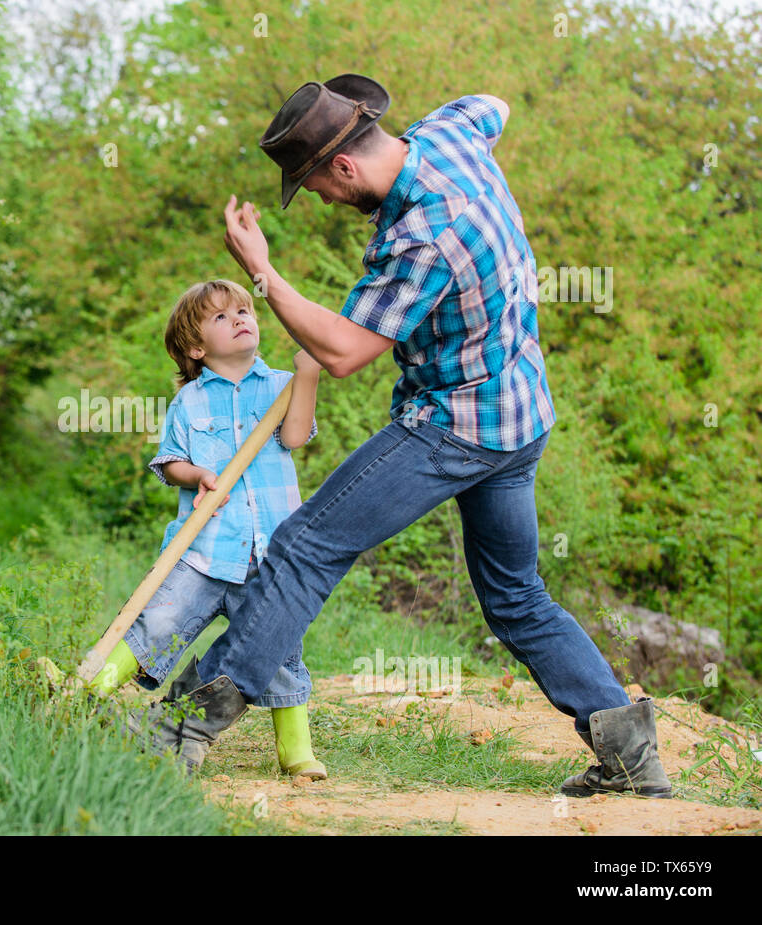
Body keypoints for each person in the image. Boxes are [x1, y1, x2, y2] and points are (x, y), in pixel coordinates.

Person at [133, 75, 672, 799]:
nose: (321, 199)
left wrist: (262, 272)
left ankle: (184, 728)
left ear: (346, 166)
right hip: (521, 413)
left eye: (317, 185)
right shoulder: (453, 132)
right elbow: (497, 102)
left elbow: (346, 351)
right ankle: (633, 760)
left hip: (456, 426)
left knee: (305, 545)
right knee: (516, 596)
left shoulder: (423, 236)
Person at [40, 278, 328, 777]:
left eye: (244, 310)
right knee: (157, 623)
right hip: (204, 550)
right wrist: (196, 475)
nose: (241, 318)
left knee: (278, 646)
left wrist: (308, 376)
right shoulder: (190, 402)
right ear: (196, 347)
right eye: (222, 316)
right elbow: (170, 462)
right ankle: (85, 689)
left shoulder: (282, 385)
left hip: (270, 556)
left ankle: (296, 752)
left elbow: (297, 436)